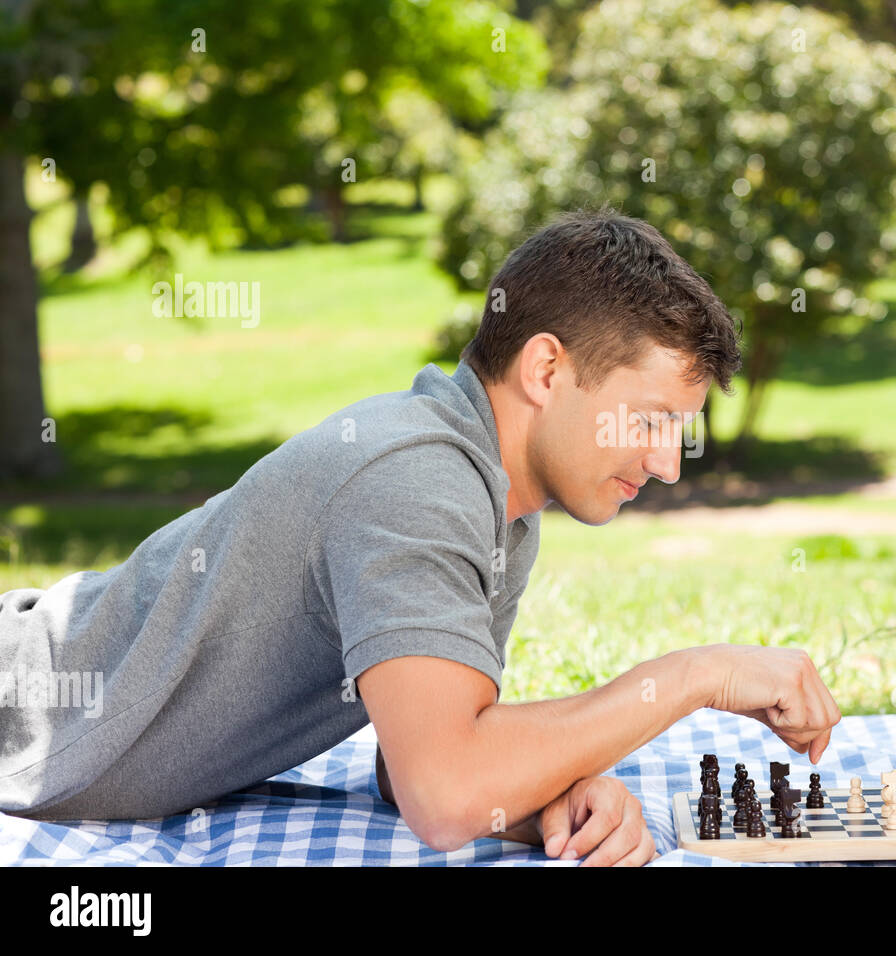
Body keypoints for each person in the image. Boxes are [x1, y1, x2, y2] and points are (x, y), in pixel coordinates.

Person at [0, 209, 841, 865]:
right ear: (546, 370)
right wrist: (696, 675)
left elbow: (420, 763)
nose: (667, 464)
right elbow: (446, 794)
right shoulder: (415, 481)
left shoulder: (498, 504)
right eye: (652, 420)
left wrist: (552, 799)